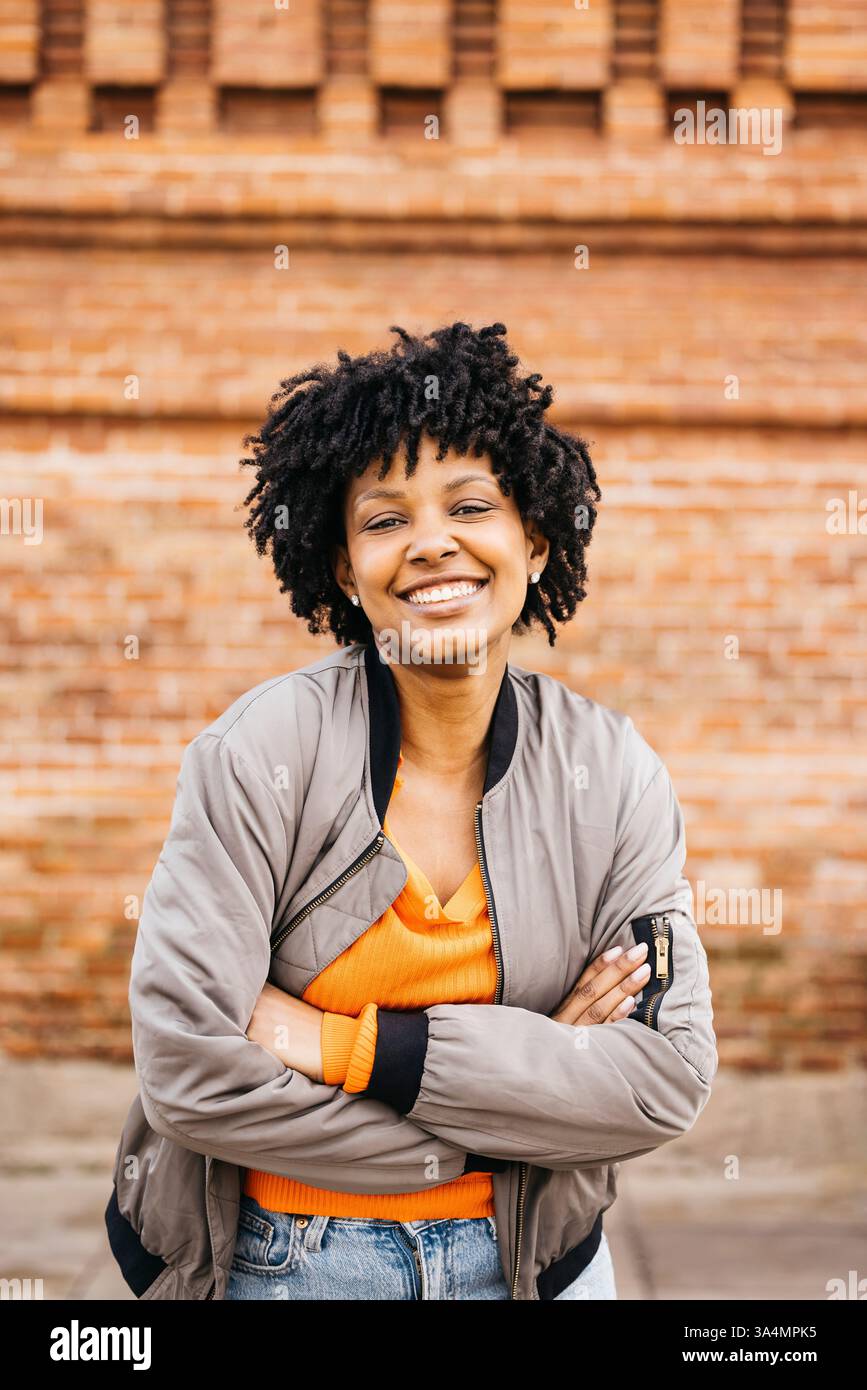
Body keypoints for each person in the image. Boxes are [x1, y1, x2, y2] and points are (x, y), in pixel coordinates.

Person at [112, 321, 717, 1302]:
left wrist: (340, 1045)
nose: (432, 540)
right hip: (291, 1260)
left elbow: (663, 1076)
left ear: (534, 537)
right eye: (385, 519)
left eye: (471, 504)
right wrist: (531, 1085)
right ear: (346, 571)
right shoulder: (260, 754)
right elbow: (186, 1069)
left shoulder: (610, 772)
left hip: (541, 1260)